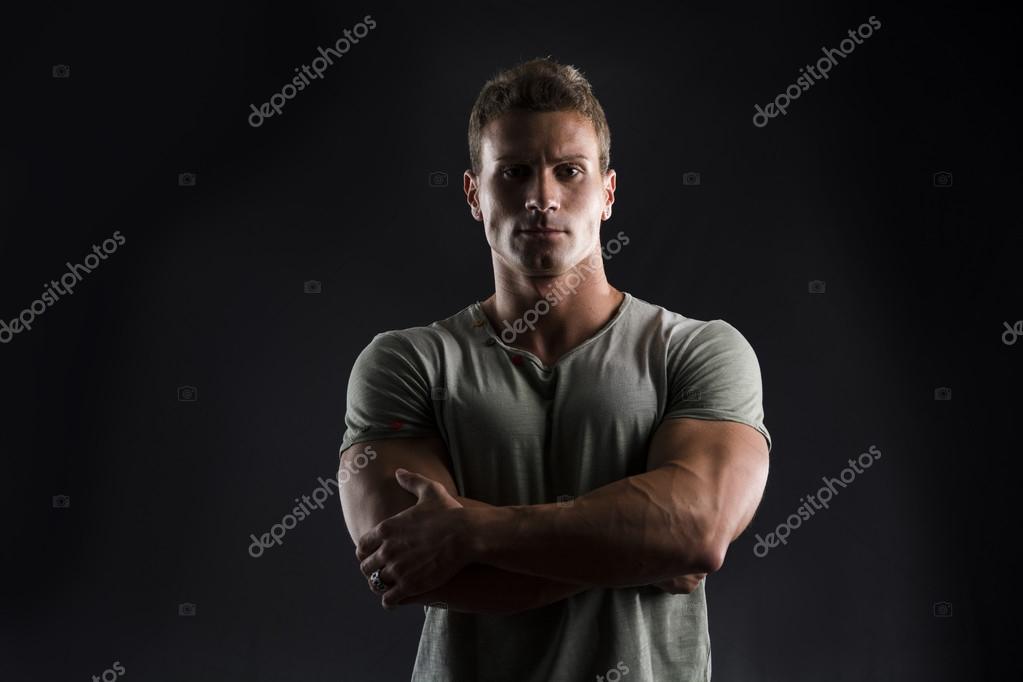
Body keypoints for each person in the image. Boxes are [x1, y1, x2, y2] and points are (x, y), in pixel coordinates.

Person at [337, 56, 772, 682]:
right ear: (474, 194)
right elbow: (410, 567)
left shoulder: (698, 349)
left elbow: (696, 531)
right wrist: (642, 548)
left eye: (569, 171)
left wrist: (473, 531)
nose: (542, 198)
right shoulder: (405, 363)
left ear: (608, 193)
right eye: (514, 172)